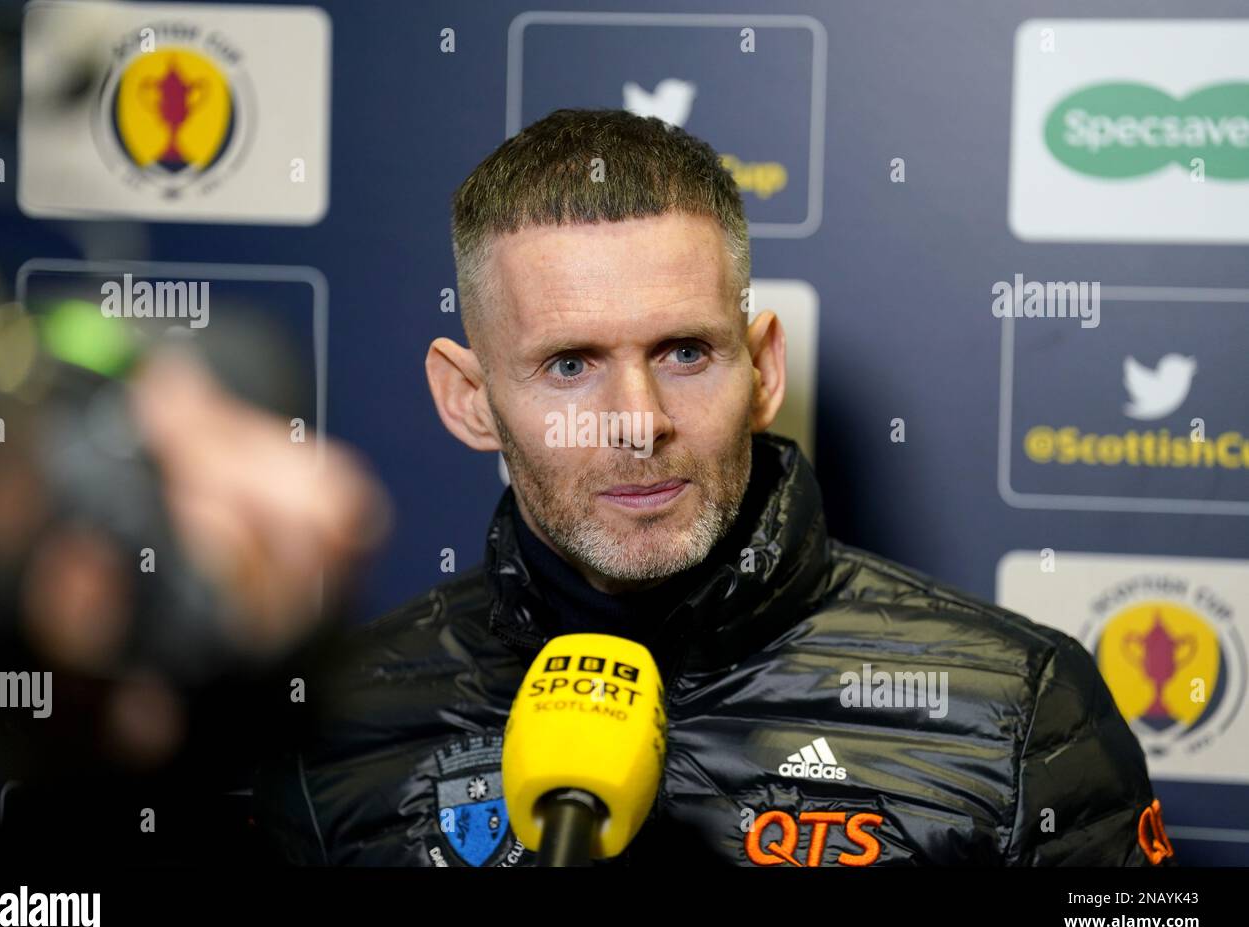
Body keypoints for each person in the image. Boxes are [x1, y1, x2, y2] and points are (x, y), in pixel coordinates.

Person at [253, 108, 1175, 867]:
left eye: (685, 352)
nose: (637, 418)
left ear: (764, 370)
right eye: (570, 364)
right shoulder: (332, 726)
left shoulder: (1018, 711)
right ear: (470, 400)